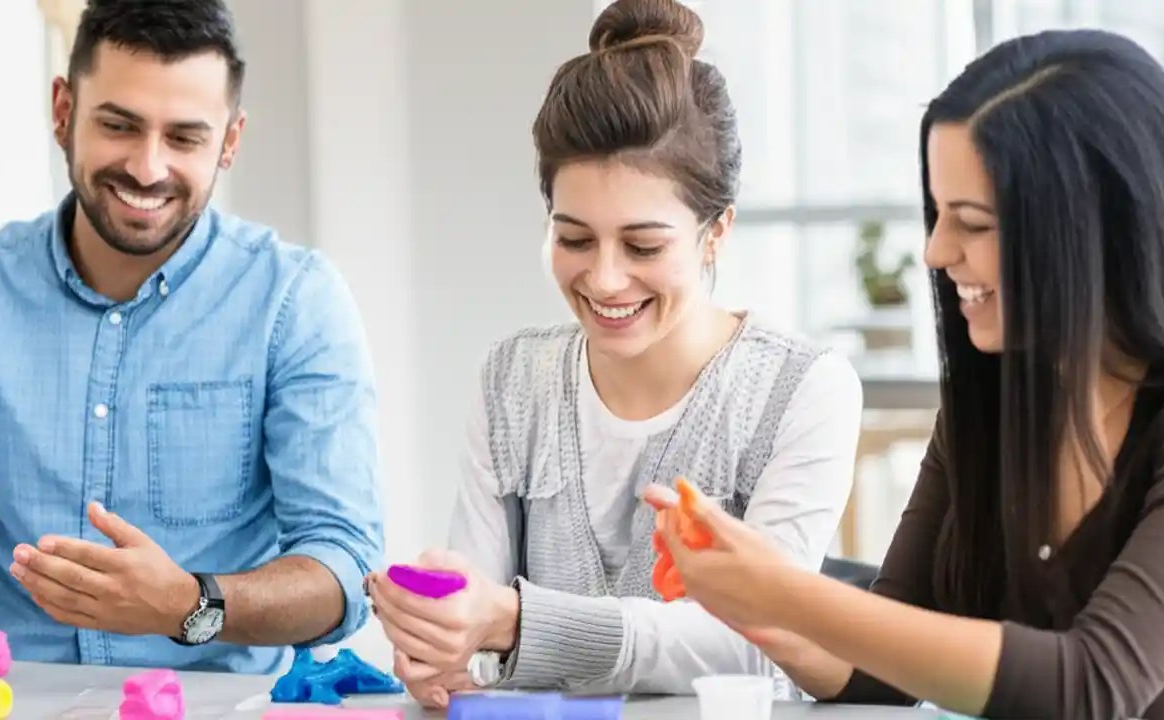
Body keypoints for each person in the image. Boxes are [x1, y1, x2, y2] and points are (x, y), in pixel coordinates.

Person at [649, 28, 1164, 719]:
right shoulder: (992, 404)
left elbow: (1089, 688)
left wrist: (786, 592)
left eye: (972, 223)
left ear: (1095, 230)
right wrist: (749, 602)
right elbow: (881, 673)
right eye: (938, 214)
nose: (937, 252)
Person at [366, 0, 862, 707]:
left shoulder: (804, 390)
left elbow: (759, 642)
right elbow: (471, 622)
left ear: (716, 230)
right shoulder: (515, 379)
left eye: (642, 245)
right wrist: (437, 642)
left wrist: (511, 620)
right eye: (573, 239)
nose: (602, 279)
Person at [0, 0, 383, 673]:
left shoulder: (295, 300)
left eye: (185, 138)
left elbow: (345, 573)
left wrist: (189, 603)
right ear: (62, 112)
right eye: (118, 125)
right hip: (18, 702)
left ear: (229, 141)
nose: (146, 167)